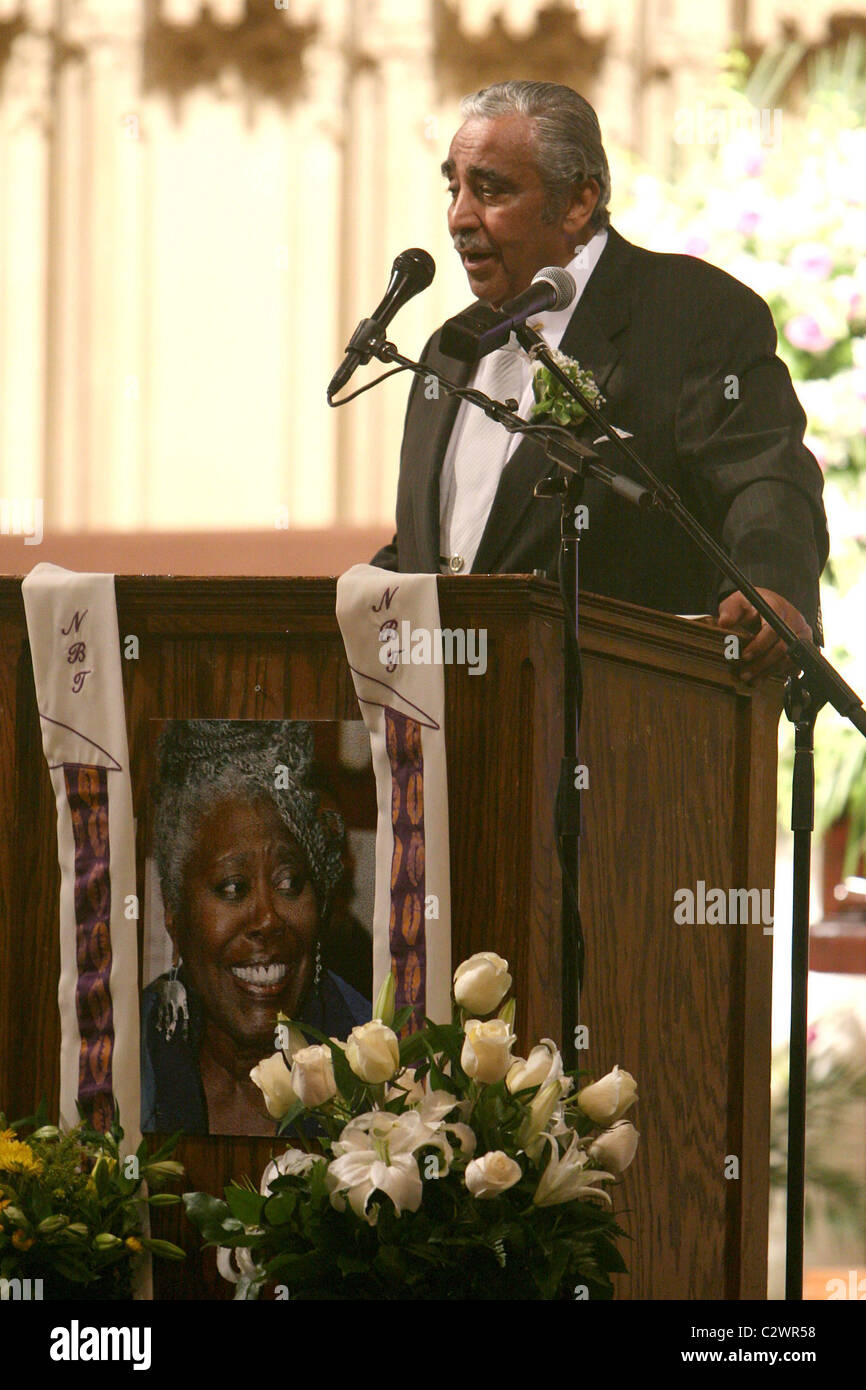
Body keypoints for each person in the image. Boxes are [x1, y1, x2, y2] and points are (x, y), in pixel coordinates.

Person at [371, 80, 829, 679]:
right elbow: (427, 549)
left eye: (491, 190)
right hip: (451, 727)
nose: (459, 217)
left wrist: (771, 582)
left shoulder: (690, 314)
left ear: (578, 202)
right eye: (454, 188)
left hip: (629, 722)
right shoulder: (448, 352)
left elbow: (764, 478)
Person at [141, 720, 370, 1135]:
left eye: (291, 883)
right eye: (232, 887)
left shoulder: (374, 1064)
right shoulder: (125, 1057)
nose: (267, 918)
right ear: (175, 917)